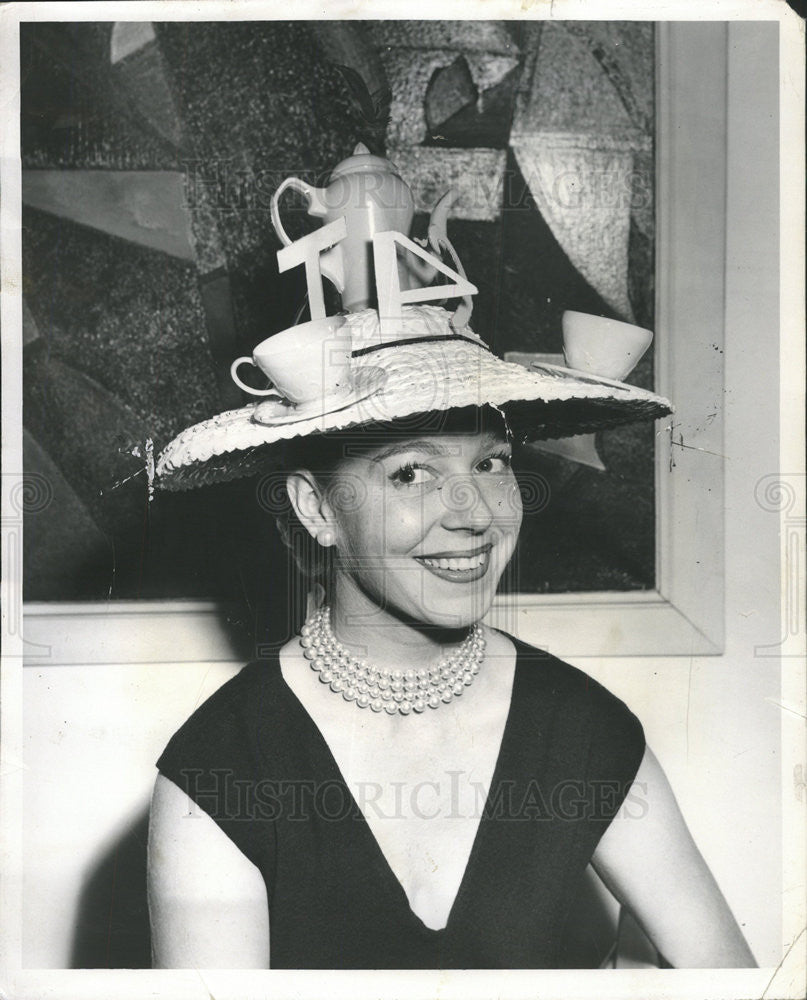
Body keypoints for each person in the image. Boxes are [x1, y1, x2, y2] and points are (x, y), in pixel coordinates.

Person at [147, 251, 755, 969]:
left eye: (490, 463)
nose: (472, 515)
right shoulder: (226, 765)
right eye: (411, 472)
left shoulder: (579, 728)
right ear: (316, 508)